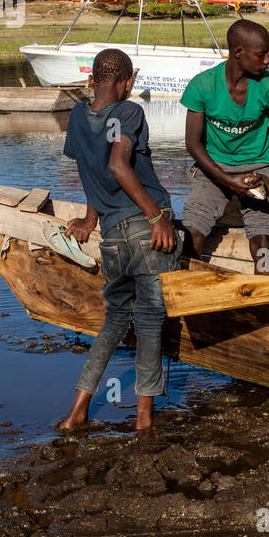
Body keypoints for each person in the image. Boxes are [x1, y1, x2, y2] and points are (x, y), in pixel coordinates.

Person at [58, 48, 179, 433]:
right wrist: (156, 217)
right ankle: (144, 418)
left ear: (93, 80)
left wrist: (90, 219)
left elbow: (90, 171)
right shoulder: (129, 112)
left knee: (112, 323)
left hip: (112, 237)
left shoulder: (77, 117)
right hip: (145, 231)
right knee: (148, 322)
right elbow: (115, 164)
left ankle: (77, 411)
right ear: (128, 82)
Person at [180, 20, 269, 275]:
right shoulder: (203, 85)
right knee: (192, 232)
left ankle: (265, 290)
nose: (267, 61)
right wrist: (229, 181)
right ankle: (187, 284)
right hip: (214, 168)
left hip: (259, 166)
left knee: (262, 238)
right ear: (239, 53)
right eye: (261, 54)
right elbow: (193, 144)